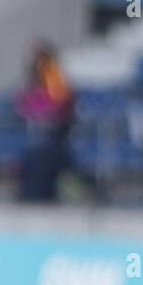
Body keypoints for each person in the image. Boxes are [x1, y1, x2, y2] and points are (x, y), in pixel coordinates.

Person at [13, 42, 92, 203]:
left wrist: (41, 114)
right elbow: (22, 105)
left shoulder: (55, 77)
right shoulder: (31, 83)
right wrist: (36, 113)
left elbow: (61, 104)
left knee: (49, 172)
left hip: (54, 140)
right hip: (37, 141)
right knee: (31, 173)